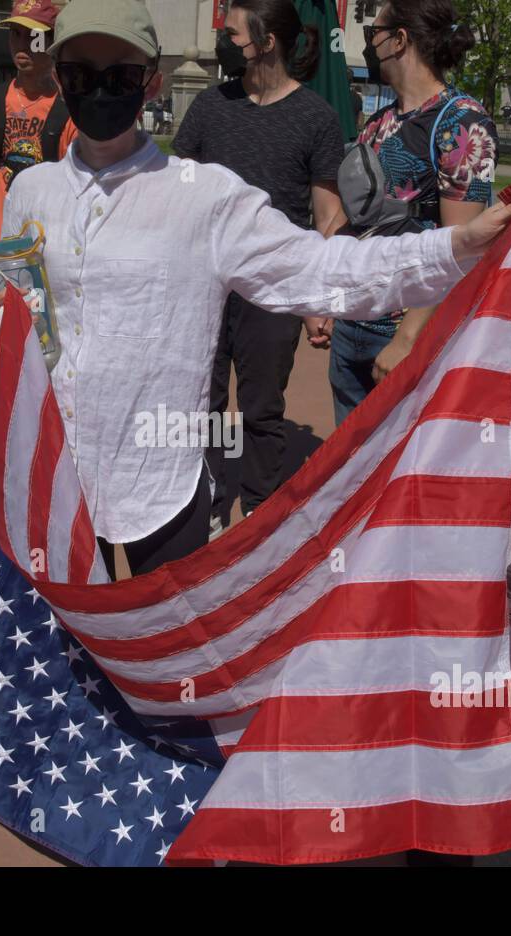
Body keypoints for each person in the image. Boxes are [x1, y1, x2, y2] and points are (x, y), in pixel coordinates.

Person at [0, 0, 511, 580]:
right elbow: (16, 303)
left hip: (158, 484)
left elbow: (321, 267)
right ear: (59, 78)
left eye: (121, 74)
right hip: (56, 473)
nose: (100, 89)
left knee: (170, 654)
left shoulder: (202, 196)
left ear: (151, 83)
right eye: (81, 73)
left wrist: (454, 246)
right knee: (63, 654)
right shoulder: (30, 192)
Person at [174, 0, 347, 537]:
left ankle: (256, 516)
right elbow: (176, 190)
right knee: (200, 400)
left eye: (232, 33)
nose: (224, 41)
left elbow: (328, 215)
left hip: (274, 290)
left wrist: (319, 299)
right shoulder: (210, 106)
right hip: (203, 285)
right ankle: (203, 505)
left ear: (267, 41)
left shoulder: (316, 117)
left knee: (262, 408)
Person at [332, 0, 496, 426]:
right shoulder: (379, 121)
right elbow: (363, 218)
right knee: (345, 473)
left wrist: (407, 339)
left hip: (403, 335)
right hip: (355, 321)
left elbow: (462, 248)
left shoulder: (461, 122)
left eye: (375, 34)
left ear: (399, 40)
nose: (371, 44)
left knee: (394, 474)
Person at [0, 0, 76, 297]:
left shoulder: (70, 111)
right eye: (15, 33)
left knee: (46, 339)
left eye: (33, 35)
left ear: (53, 42)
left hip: (50, 249)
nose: (22, 44)